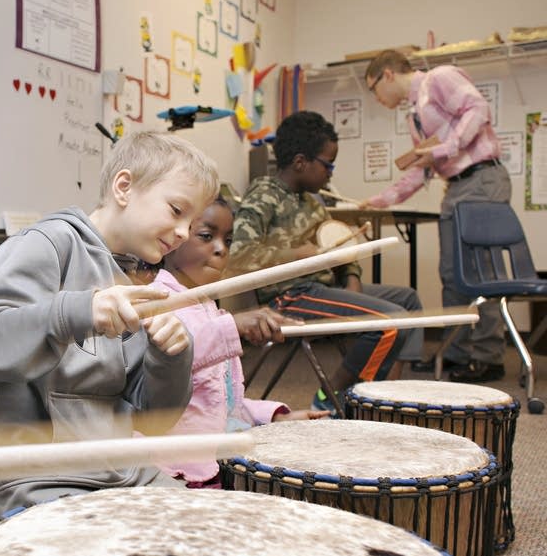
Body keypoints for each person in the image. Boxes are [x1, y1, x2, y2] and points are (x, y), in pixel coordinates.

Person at [0, 130, 219, 556]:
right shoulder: (46, 245)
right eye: (176, 210)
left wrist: (170, 356)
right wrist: (79, 311)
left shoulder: (135, 277)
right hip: (37, 473)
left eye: (191, 222)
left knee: (208, 540)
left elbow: (153, 416)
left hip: (118, 469)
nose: (183, 232)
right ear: (123, 187)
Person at [229, 111, 424, 412]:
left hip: (322, 289)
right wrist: (294, 255)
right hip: (290, 296)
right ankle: (333, 396)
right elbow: (239, 255)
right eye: (327, 164)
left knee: (407, 301)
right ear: (300, 162)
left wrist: (353, 278)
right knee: (388, 320)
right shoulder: (263, 195)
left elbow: (340, 248)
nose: (331, 172)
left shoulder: (312, 203)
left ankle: (387, 394)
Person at [153, 198, 329, 488]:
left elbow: (219, 401)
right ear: (175, 238)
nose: (221, 249)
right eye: (207, 236)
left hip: (217, 459)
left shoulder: (207, 304)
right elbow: (177, 356)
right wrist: (234, 325)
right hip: (180, 470)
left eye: (228, 239)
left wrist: (273, 417)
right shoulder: (156, 299)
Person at [364, 50, 509, 383]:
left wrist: (446, 147)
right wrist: (382, 200)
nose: (377, 98)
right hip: (456, 187)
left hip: (481, 178)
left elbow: (478, 109)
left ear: (386, 75)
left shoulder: (438, 78)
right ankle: (455, 354)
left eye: (373, 89)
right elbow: (422, 170)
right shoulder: (414, 115)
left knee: (480, 271)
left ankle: (489, 357)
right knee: (453, 274)